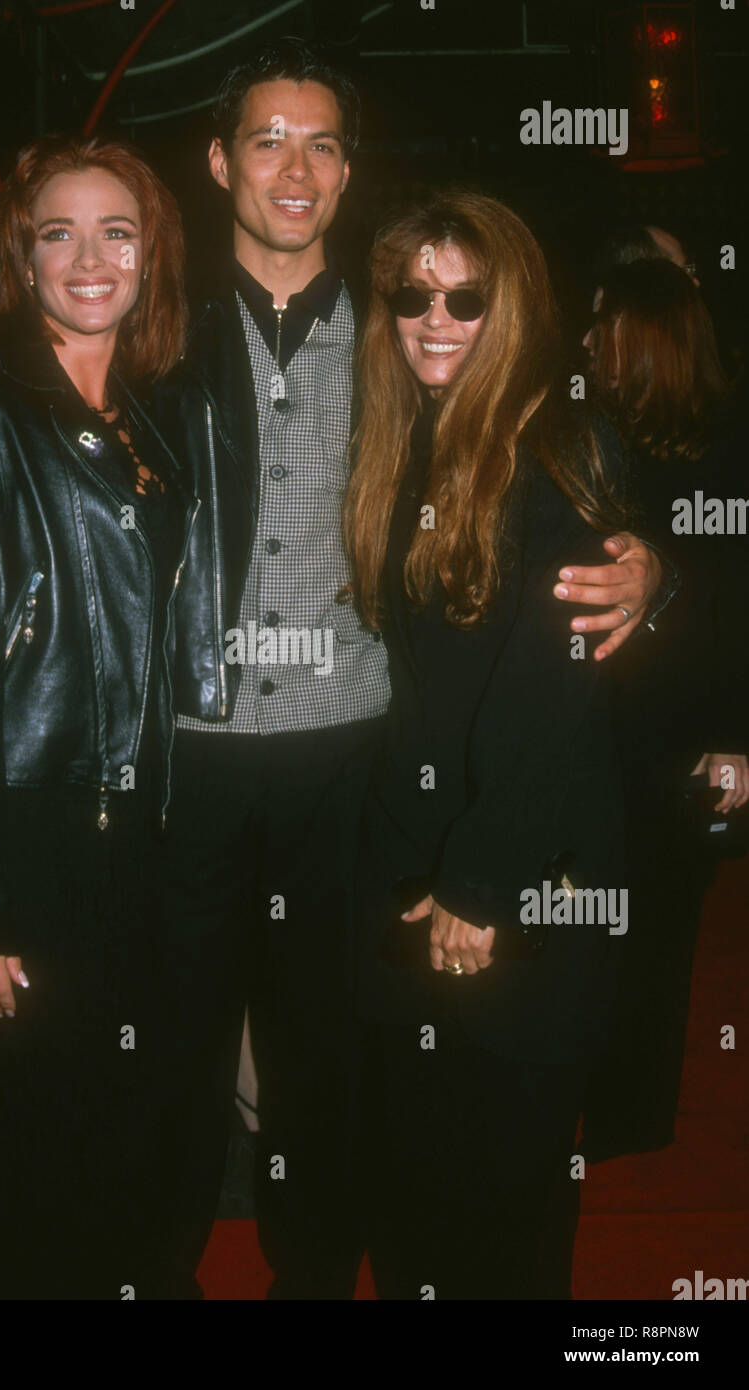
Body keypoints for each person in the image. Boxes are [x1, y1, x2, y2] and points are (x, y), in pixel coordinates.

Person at [0, 42, 664, 1301]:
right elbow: (23, 456)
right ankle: (155, 1271)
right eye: (265, 140)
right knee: (167, 1051)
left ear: (348, 170)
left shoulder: (403, 309)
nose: (292, 168)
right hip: (180, 760)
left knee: (330, 1057)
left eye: (321, 143)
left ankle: (312, 1275)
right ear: (219, 159)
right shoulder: (151, 323)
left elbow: (534, 455)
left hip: (353, 762)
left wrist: (648, 563)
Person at [0, 133, 190, 1299]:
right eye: (55, 231)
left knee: (106, 1145)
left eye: (117, 229)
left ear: (151, 254)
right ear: (21, 258)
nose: (88, 255)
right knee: (12, 1168)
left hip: (141, 837)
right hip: (29, 826)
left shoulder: (153, 417)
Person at [348, 190, 641, 1299]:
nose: (433, 317)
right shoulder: (399, 439)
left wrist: (481, 877)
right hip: (412, 873)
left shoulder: (560, 443)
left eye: (464, 297)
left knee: (503, 1203)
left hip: (525, 887)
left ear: (508, 304)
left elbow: (550, 683)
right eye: (411, 294)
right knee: (417, 1190)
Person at [580, 257, 748, 1160]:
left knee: (656, 938)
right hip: (604, 724)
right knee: (595, 925)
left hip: (681, 732)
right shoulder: (597, 438)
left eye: (601, 320)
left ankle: (627, 1127)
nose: (585, 337)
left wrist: (734, 740)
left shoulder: (725, 449)